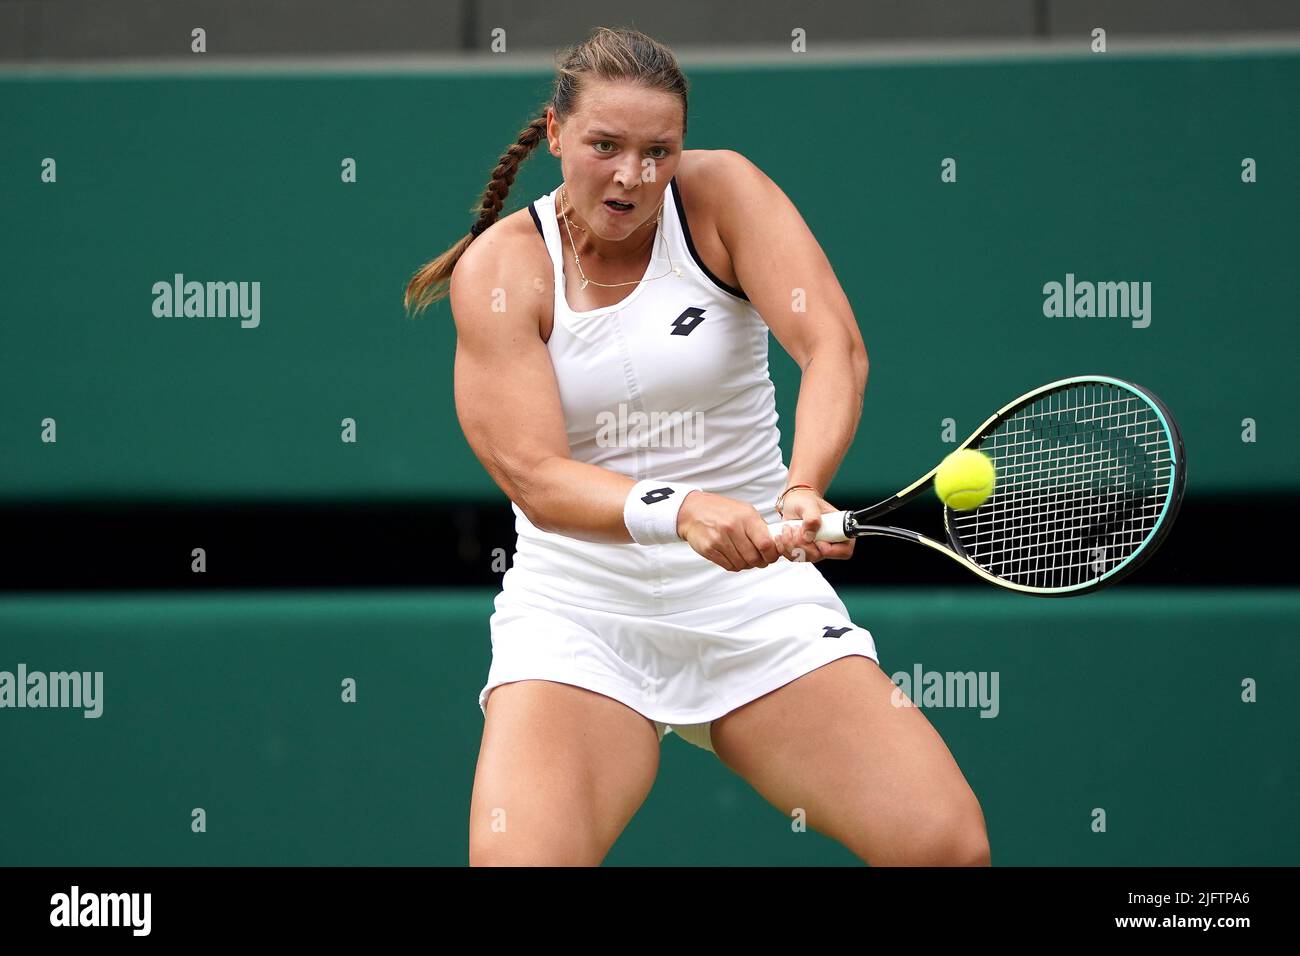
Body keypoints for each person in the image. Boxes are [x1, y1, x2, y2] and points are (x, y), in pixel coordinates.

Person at [404, 27, 990, 867]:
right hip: (582, 614)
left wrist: (802, 490)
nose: (632, 177)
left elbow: (832, 348)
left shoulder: (725, 194)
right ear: (557, 133)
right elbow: (534, 476)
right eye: (605, 146)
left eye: (658, 152)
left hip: (754, 606)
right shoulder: (502, 268)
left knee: (945, 848)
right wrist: (679, 511)